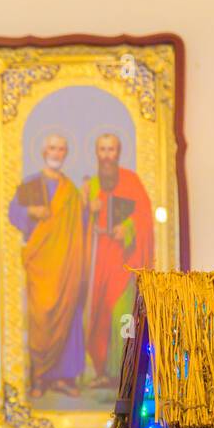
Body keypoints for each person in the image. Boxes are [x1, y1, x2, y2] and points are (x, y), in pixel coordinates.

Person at [8, 133, 87, 398]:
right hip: (42, 264)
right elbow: (13, 213)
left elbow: (80, 224)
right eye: (53, 148)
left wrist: (88, 203)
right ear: (44, 151)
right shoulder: (31, 184)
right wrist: (31, 212)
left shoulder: (71, 191)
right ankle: (39, 377)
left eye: (62, 149)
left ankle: (64, 378)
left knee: (69, 314)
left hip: (67, 265)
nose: (57, 153)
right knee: (41, 317)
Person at [82, 133, 153, 386]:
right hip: (99, 255)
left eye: (111, 149)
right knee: (98, 313)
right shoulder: (90, 186)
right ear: (96, 153)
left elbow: (145, 215)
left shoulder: (131, 181)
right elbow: (75, 227)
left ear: (118, 152)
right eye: (102, 149)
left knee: (120, 312)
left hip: (125, 258)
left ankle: (123, 374)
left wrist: (128, 228)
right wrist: (86, 210)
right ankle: (102, 373)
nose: (107, 154)